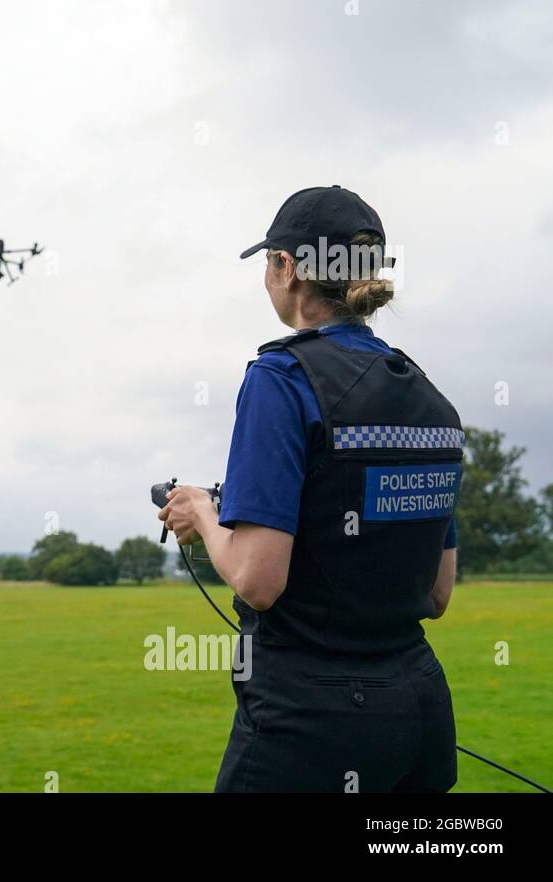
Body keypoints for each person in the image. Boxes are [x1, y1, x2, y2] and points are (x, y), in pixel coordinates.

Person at [159, 186, 462, 792]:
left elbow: (258, 581)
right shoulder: (432, 398)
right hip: (420, 711)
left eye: (269, 263)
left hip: (306, 724)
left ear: (287, 269)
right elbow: (436, 592)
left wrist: (201, 510)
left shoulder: (279, 378)